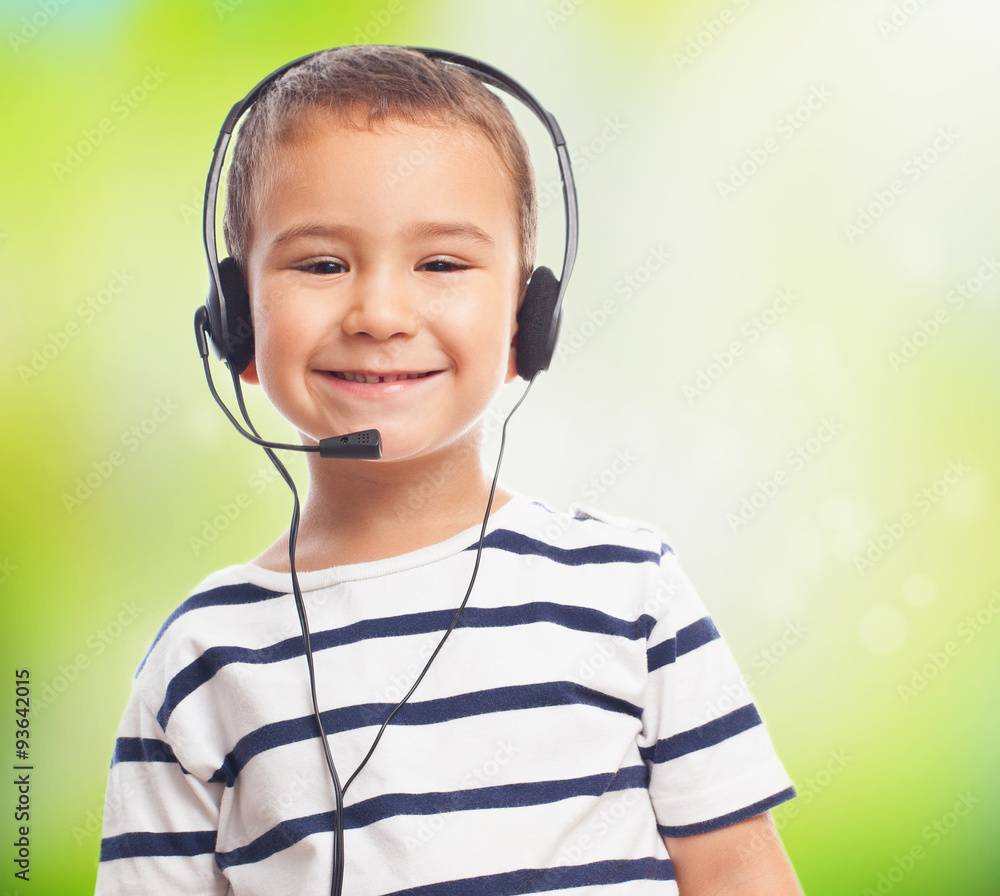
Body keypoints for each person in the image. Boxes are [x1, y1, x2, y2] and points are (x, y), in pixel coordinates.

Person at [96, 45, 804, 895]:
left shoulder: (628, 592)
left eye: (441, 264)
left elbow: (736, 871)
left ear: (526, 321)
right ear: (237, 323)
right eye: (322, 264)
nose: (382, 314)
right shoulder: (202, 661)